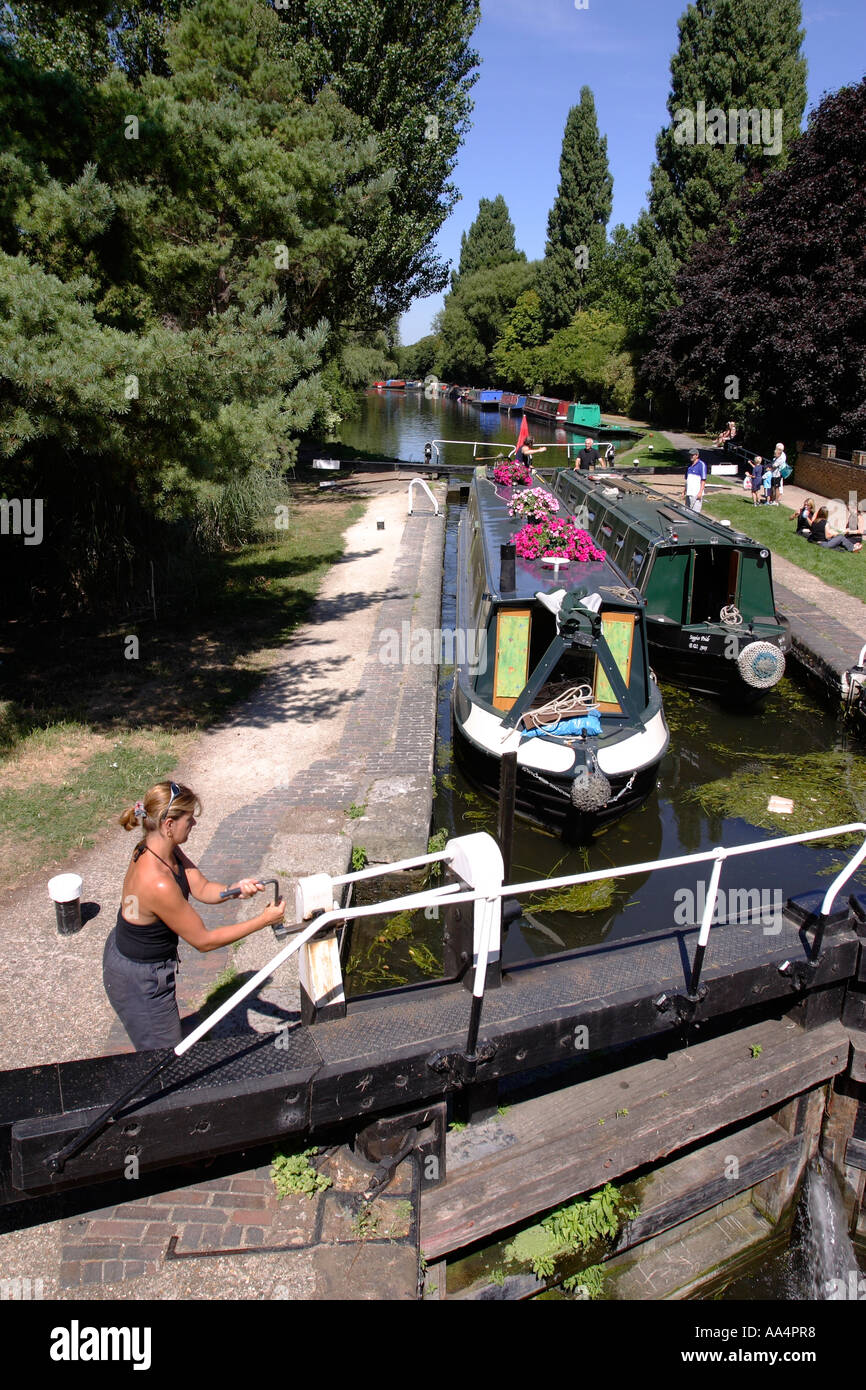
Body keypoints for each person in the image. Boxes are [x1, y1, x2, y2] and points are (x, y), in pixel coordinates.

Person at [104, 780, 286, 1051]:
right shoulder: (158, 882)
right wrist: (263, 921)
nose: (194, 825)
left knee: (165, 1042)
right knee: (165, 1061)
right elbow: (204, 941)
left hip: (134, 960)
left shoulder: (160, 847)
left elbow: (200, 887)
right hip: (139, 979)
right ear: (169, 824)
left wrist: (234, 890)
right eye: (189, 820)